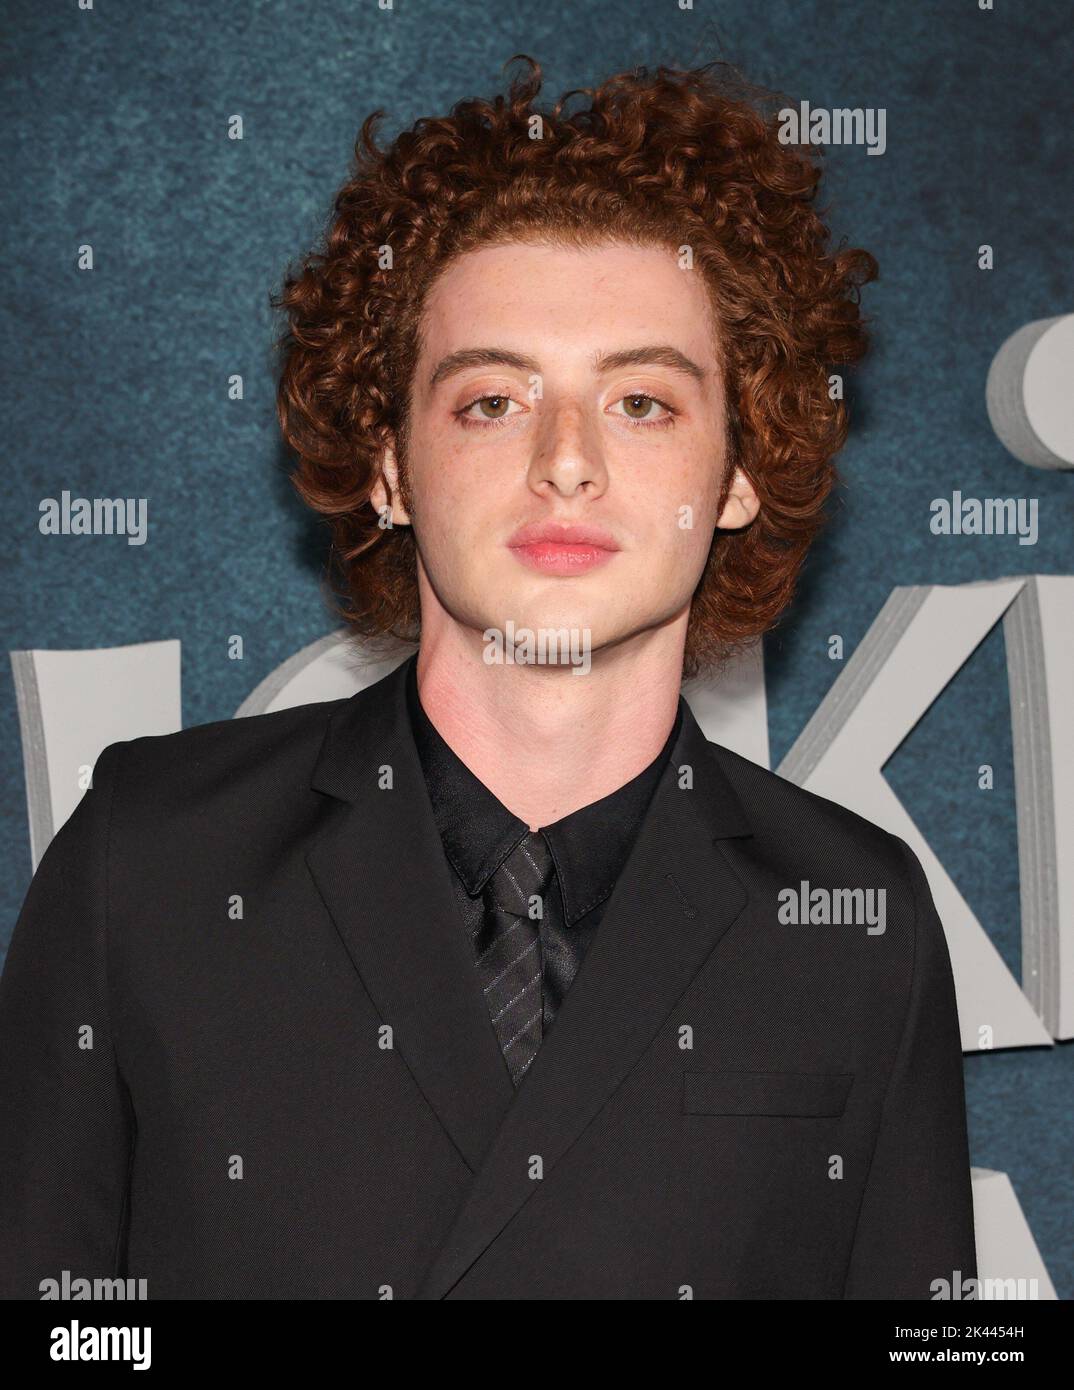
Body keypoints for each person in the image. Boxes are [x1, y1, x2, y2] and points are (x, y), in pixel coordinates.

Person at [0, 55, 976, 1299]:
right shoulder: (149, 857)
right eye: (492, 401)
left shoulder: (857, 916)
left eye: (640, 401)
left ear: (740, 471)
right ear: (390, 468)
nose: (566, 462)